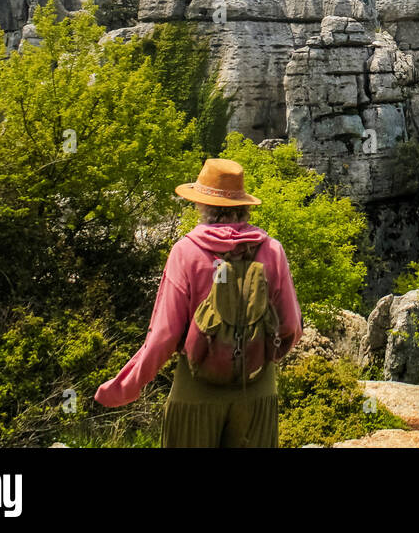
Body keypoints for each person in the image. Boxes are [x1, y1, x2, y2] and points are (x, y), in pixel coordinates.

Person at [95, 158, 303, 447]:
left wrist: (126, 386)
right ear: (243, 205)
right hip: (257, 392)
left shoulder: (186, 252)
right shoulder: (272, 250)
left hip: (196, 390)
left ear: (202, 205)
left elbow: (163, 336)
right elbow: (291, 325)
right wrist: (258, 357)